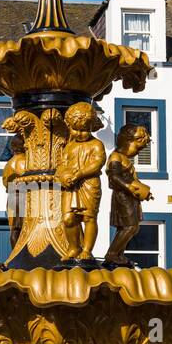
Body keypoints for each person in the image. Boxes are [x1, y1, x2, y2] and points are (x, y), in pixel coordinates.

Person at [58, 101, 106, 261]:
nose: (79, 133)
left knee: (88, 218)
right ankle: (73, 248)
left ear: (92, 126)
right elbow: (62, 166)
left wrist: (79, 174)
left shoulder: (96, 144)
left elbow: (97, 163)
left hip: (88, 184)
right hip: (71, 187)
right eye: (75, 129)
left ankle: (87, 250)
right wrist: (64, 176)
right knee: (68, 218)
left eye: (84, 130)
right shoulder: (69, 147)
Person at [105, 123, 153, 263]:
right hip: (123, 196)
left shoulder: (124, 159)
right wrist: (129, 187)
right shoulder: (116, 157)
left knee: (131, 227)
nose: (137, 153)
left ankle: (118, 255)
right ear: (127, 141)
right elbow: (114, 177)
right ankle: (112, 254)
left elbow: (132, 179)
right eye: (137, 148)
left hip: (130, 196)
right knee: (130, 226)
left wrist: (144, 192)